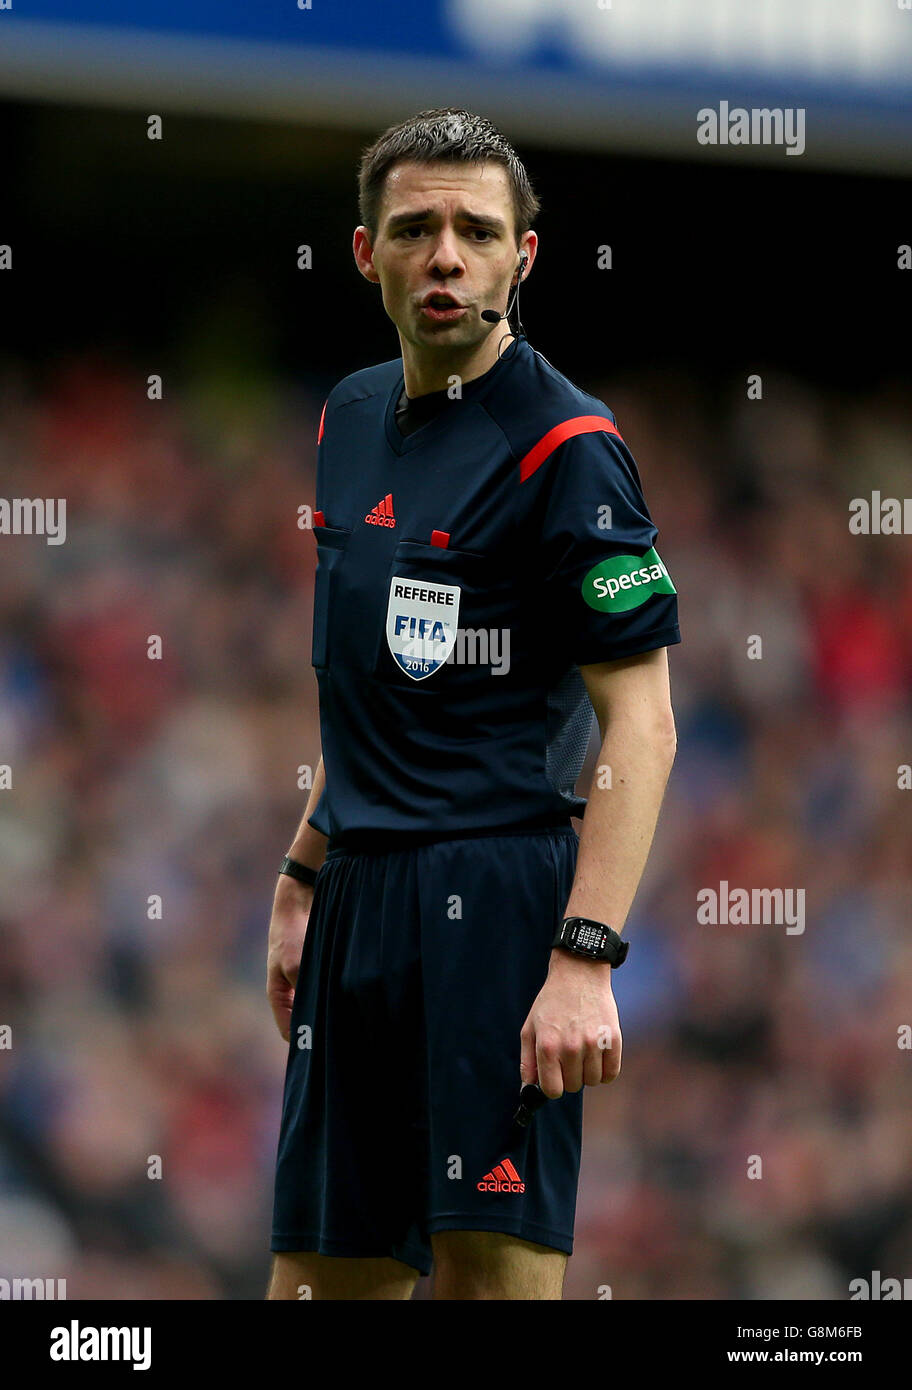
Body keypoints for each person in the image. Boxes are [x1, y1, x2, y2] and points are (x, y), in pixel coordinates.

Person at [266, 108, 679, 1301]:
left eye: (475, 231)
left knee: (490, 1285)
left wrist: (586, 958)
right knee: (315, 1284)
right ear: (367, 254)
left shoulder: (569, 446)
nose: (445, 254)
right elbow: (372, 692)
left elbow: (642, 724)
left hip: (498, 905)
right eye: (416, 228)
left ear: (521, 259)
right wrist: (302, 877)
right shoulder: (346, 418)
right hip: (357, 901)